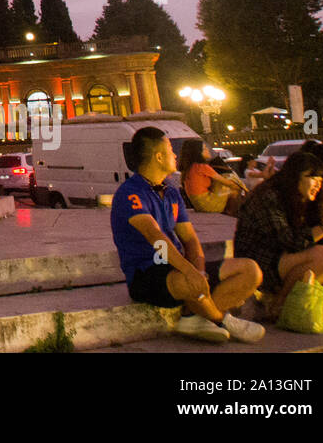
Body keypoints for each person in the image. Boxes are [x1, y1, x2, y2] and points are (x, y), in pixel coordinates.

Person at [110, 127, 264, 342]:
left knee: (251, 270)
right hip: (147, 272)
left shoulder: (171, 191)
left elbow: (189, 237)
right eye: (170, 149)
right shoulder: (130, 193)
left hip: (179, 265)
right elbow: (156, 239)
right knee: (187, 281)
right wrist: (189, 272)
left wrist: (198, 268)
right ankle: (222, 320)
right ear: (158, 156)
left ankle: (193, 317)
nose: (175, 155)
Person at [234, 150, 323, 319]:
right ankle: (280, 304)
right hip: (262, 262)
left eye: (320, 179)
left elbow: (322, 238)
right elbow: (289, 241)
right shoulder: (269, 196)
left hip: (289, 256)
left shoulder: (313, 198)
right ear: (294, 177)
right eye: (312, 177)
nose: (317, 183)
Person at [180, 140, 247, 216]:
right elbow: (226, 182)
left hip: (198, 204)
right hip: (207, 204)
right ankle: (233, 213)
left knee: (227, 183)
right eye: (205, 148)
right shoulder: (201, 166)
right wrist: (240, 187)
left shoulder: (189, 167)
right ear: (198, 152)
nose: (208, 150)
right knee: (234, 189)